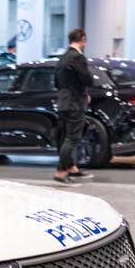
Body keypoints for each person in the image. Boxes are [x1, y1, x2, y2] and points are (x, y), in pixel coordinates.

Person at [53, 29, 93, 184]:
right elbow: (87, 79)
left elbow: (57, 82)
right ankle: (61, 172)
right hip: (75, 102)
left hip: (63, 101)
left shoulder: (62, 58)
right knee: (72, 138)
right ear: (82, 39)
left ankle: (71, 168)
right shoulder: (77, 57)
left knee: (64, 137)